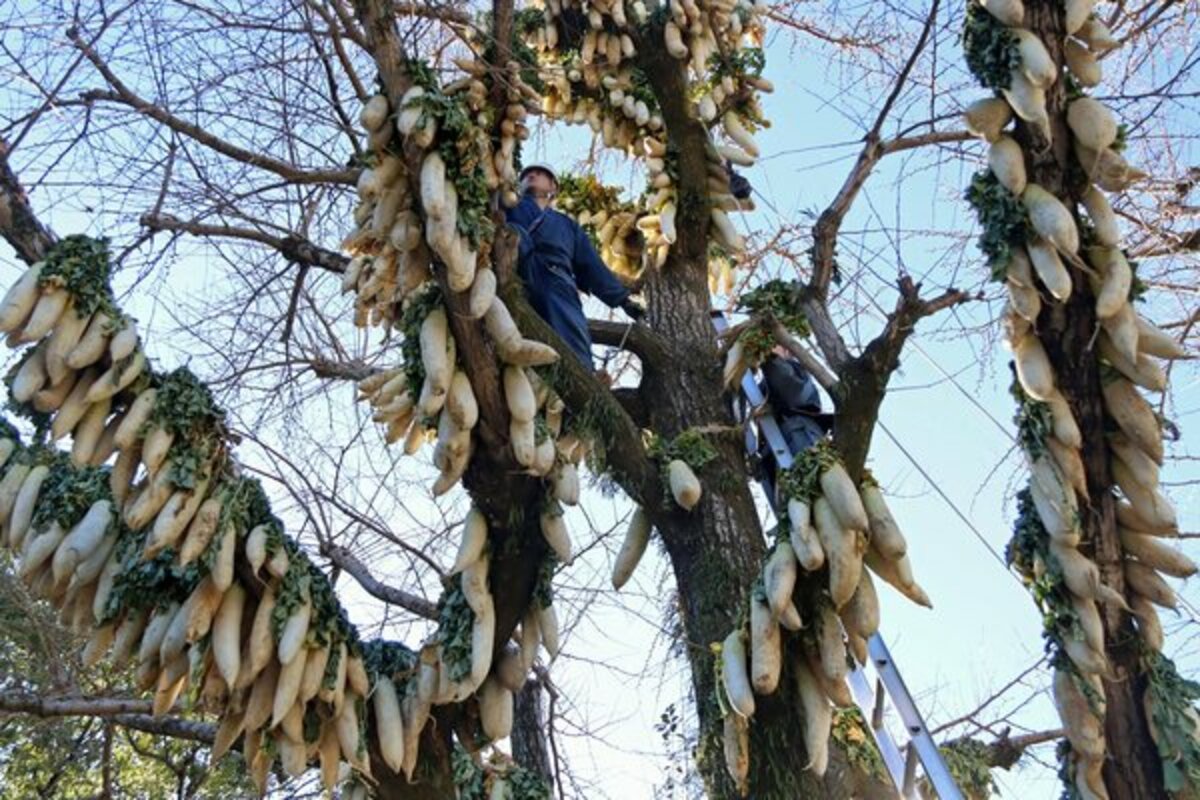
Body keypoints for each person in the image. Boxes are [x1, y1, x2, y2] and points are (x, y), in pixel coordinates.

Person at [506, 163, 644, 369]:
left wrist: (623, 299)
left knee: (575, 351)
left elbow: (591, 265)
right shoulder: (507, 207)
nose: (532, 175)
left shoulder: (567, 225)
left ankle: (582, 387)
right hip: (515, 270)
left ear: (553, 187)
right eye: (526, 175)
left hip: (556, 282)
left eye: (541, 173)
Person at [756, 345, 834, 490]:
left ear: (787, 351)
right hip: (775, 456)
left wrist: (769, 358)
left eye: (775, 345)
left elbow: (790, 387)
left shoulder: (794, 370)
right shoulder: (762, 384)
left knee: (817, 489)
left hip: (801, 438)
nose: (771, 348)